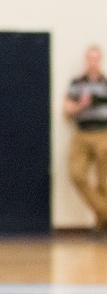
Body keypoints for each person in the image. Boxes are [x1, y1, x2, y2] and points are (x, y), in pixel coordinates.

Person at [64, 44, 107, 232]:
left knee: (104, 180)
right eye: (90, 58)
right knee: (77, 174)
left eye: (96, 58)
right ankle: (105, 212)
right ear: (86, 60)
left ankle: (102, 223)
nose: (93, 62)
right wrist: (81, 105)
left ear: (100, 60)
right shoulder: (77, 84)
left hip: (103, 133)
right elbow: (67, 111)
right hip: (82, 133)